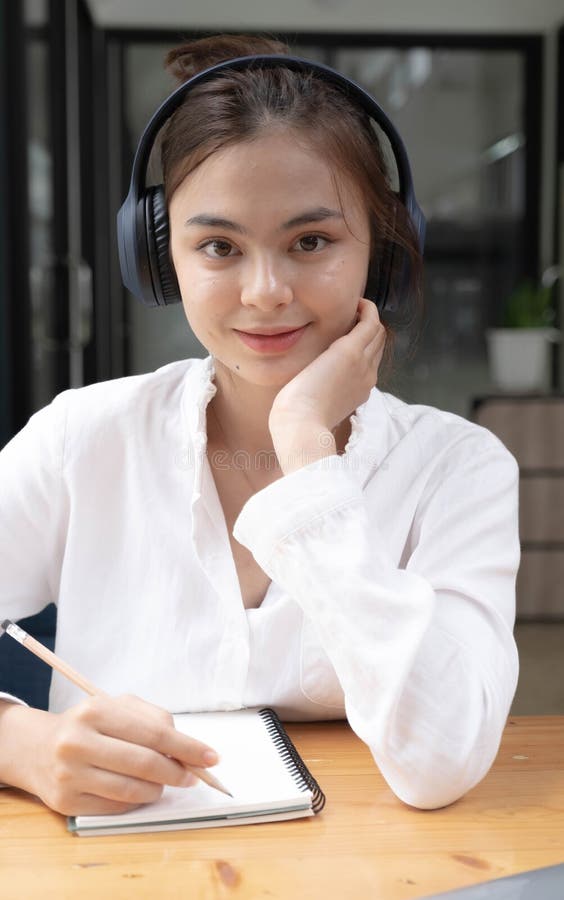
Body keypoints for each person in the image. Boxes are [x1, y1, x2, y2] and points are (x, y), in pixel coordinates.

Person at [0, 34, 519, 816]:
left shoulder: (459, 467)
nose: (266, 291)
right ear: (158, 257)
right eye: (218, 246)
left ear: (380, 253)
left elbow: (442, 757)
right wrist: (21, 745)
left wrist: (307, 446)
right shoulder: (84, 437)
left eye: (311, 241)